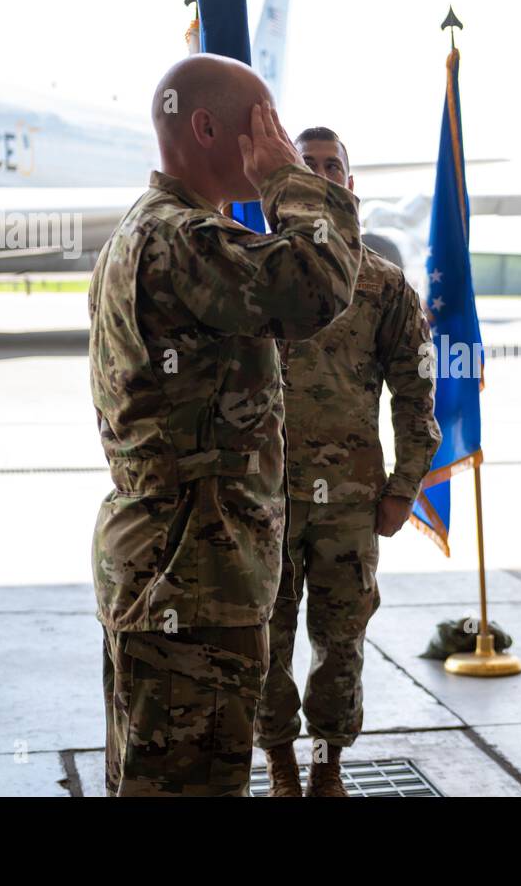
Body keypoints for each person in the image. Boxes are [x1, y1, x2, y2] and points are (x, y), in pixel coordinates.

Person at [89, 55, 363, 796]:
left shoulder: (148, 232)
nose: (273, 139)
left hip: (170, 568)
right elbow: (319, 283)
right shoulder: (182, 241)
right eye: (262, 125)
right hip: (191, 579)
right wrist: (288, 180)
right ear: (207, 127)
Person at [255, 126, 441, 797]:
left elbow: (417, 394)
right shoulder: (258, 272)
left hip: (352, 503)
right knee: (265, 642)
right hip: (263, 501)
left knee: (341, 641)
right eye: (307, 166)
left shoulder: (386, 287)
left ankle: (328, 761)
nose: (323, 175)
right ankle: (278, 762)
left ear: (350, 187)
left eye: (334, 166)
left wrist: (403, 488)